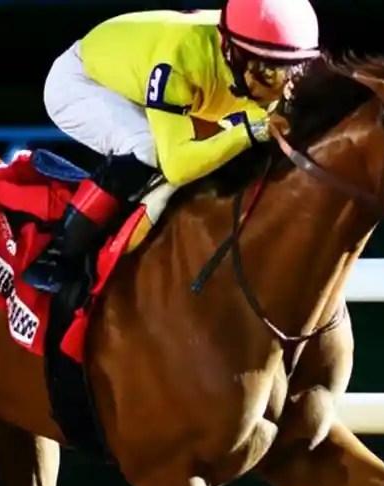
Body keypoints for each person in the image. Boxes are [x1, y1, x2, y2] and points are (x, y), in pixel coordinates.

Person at [19, 0, 322, 295]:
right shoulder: (181, 58)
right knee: (147, 149)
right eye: (268, 73)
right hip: (84, 82)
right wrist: (251, 131)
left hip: (161, 85)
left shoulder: (257, 49)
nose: (280, 87)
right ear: (233, 53)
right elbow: (177, 167)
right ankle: (60, 253)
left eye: (292, 72)